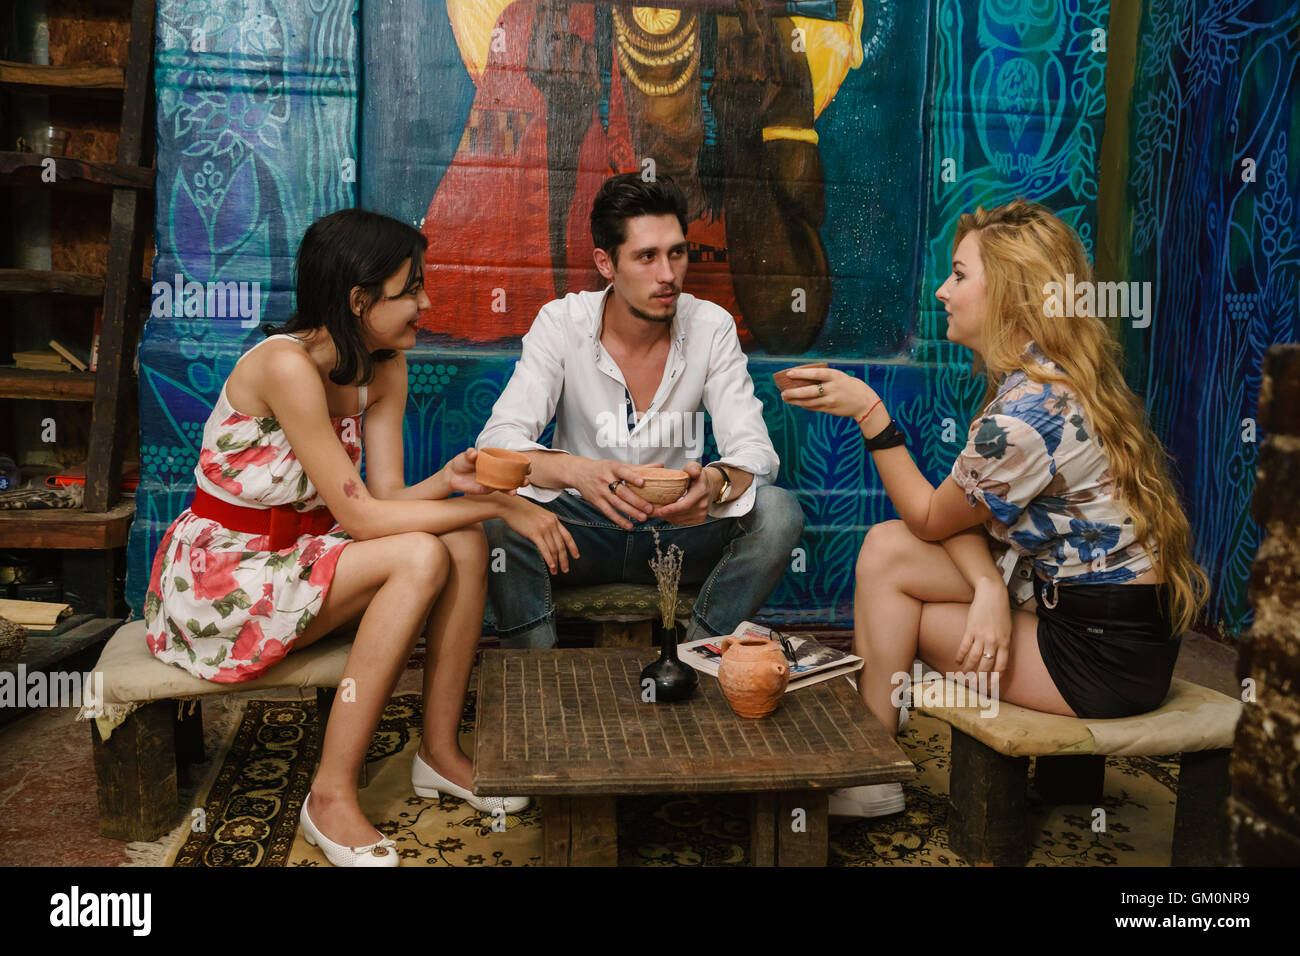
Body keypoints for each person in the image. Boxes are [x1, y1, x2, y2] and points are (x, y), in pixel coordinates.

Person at [142, 209, 578, 866]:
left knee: (456, 544)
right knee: (426, 550)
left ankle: (439, 752)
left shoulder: (384, 368)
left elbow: (383, 501)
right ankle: (330, 795)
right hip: (222, 578)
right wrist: (501, 508)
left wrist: (455, 481)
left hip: (299, 561)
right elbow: (371, 526)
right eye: (410, 289)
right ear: (358, 299)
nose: (425, 304)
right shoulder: (286, 368)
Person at [780, 199, 1209, 818]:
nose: (941, 289)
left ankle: (868, 766)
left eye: (958, 275)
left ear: (1008, 295)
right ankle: (874, 752)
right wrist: (986, 587)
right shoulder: (1046, 379)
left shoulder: (1023, 417)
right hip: (1116, 629)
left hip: (1098, 658)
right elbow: (958, 519)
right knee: (887, 549)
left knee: (899, 603)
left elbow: (931, 516)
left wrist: (869, 412)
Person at [476, 172, 804, 649]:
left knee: (778, 514)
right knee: (496, 513)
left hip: (676, 532)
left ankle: (701, 656)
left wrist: (714, 483)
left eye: (677, 253)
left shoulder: (710, 326)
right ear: (606, 263)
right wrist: (576, 471)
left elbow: (756, 452)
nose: (668, 275)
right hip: (579, 534)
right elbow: (495, 443)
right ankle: (535, 671)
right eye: (647, 257)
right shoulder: (562, 322)